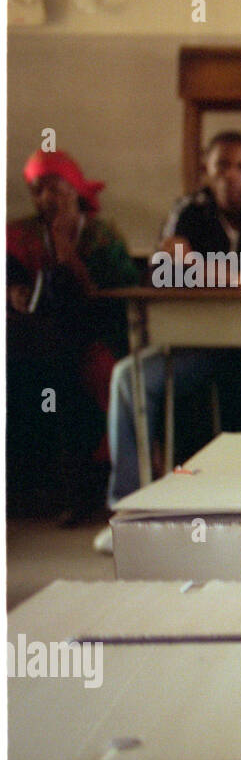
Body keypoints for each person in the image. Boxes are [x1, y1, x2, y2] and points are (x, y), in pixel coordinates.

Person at [95, 131, 241, 553]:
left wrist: (199, 268)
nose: (231, 176)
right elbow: (159, 274)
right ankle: (126, 510)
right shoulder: (187, 209)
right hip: (200, 343)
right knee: (126, 376)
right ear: (206, 171)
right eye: (220, 166)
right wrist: (237, 275)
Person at [7, 150, 138, 523]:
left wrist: (67, 254)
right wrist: (13, 292)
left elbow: (118, 294)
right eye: (38, 189)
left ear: (77, 190)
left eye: (57, 188)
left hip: (99, 333)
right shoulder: (19, 234)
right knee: (38, 366)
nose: (47, 197)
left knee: (80, 368)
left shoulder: (100, 233)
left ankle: (81, 489)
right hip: (37, 338)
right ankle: (34, 489)